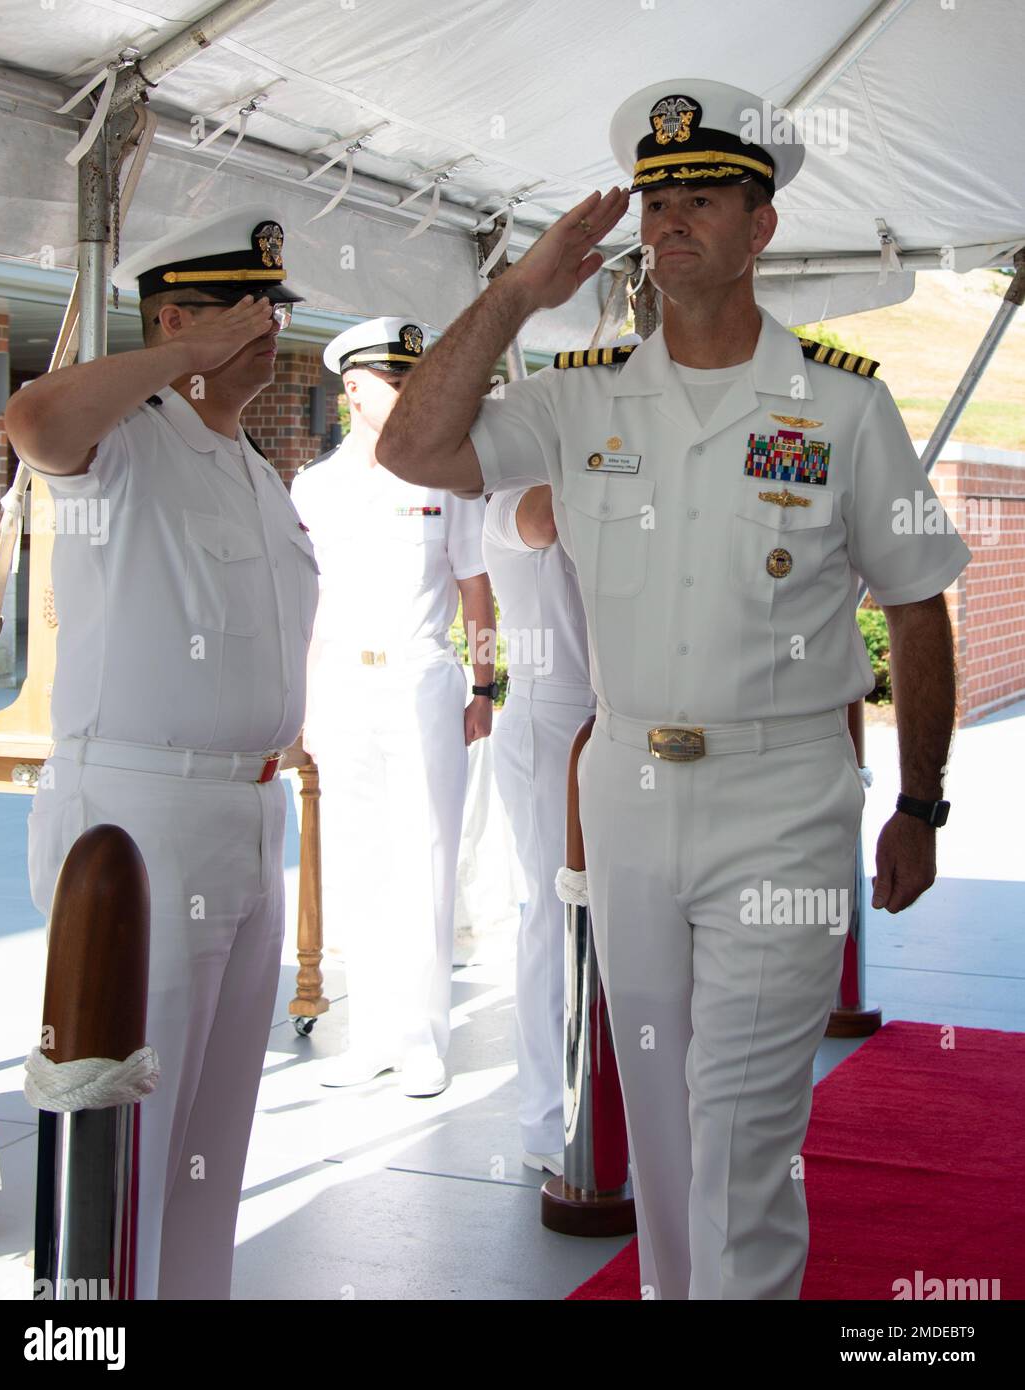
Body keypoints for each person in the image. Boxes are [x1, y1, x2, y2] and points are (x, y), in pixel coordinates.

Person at [374, 80, 971, 1299]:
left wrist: (920, 801)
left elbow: (915, 599)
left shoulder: (843, 405)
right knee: (659, 1116)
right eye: (656, 201)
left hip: (783, 791)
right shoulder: (583, 392)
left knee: (742, 1130)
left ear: (762, 228)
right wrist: (514, 295)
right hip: (631, 791)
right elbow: (414, 448)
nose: (671, 221)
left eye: (703, 197)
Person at [4, 205, 319, 1299]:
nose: (271, 325)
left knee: (210, 1129)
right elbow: (33, 421)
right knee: (127, 1112)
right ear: (177, 317)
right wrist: (177, 360)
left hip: (247, 813)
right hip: (141, 820)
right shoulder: (128, 443)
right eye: (245, 307)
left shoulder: (253, 468)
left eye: (275, 306)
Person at [291, 317, 495, 1099]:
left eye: (415, 378)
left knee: (426, 859)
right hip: (341, 686)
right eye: (393, 380)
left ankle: (422, 1039)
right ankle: (370, 1034)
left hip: (421, 678)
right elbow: (307, 599)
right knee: (357, 864)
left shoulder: (445, 478)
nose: (409, 391)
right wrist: (301, 703)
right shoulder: (314, 487)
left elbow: (475, 586)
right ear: (351, 389)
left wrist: (483, 687)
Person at [482, 486, 595, 1175]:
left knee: (620, 923)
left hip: (621, 719)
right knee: (555, 918)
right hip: (549, 722)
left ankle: (615, 1094)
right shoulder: (506, 496)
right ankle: (546, 1121)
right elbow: (549, 516)